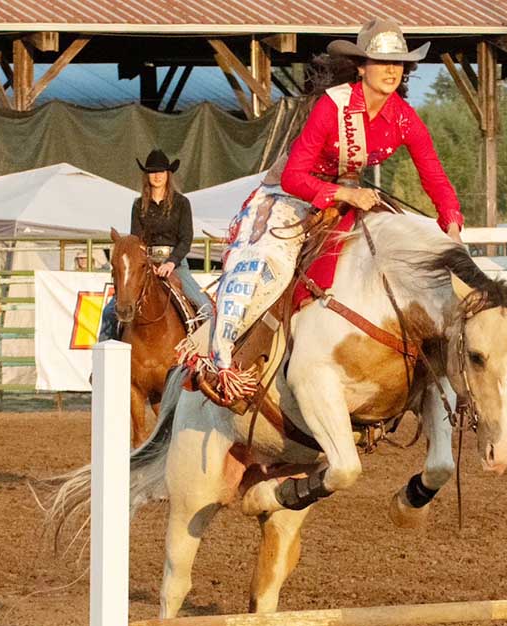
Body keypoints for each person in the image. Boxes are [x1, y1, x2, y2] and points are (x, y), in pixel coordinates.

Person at [207, 17, 463, 400]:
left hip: (347, 196)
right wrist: (345, 196)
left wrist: (452, 224)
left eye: (399, 63)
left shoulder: (404, 118)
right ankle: (221, 358)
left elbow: (434, 175)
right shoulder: (332, 107)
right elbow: (294, 175)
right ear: (361, 67)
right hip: (289, 195)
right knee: (268, 267)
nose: (392, 70)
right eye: (382, 61)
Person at [99, 149, 213, 341]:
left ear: (168, 174)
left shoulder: (181, 203)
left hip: (176, 264)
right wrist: (146, 263)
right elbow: (136, 240)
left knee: (206, 310)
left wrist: (170, 263)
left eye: (161, 171)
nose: (157, 175)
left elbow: (186, 239)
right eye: (152, 171)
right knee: (110, 312)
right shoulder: (138, 205)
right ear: (147, 175)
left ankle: (206, 365)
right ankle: (102, 367)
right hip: (145, 264)